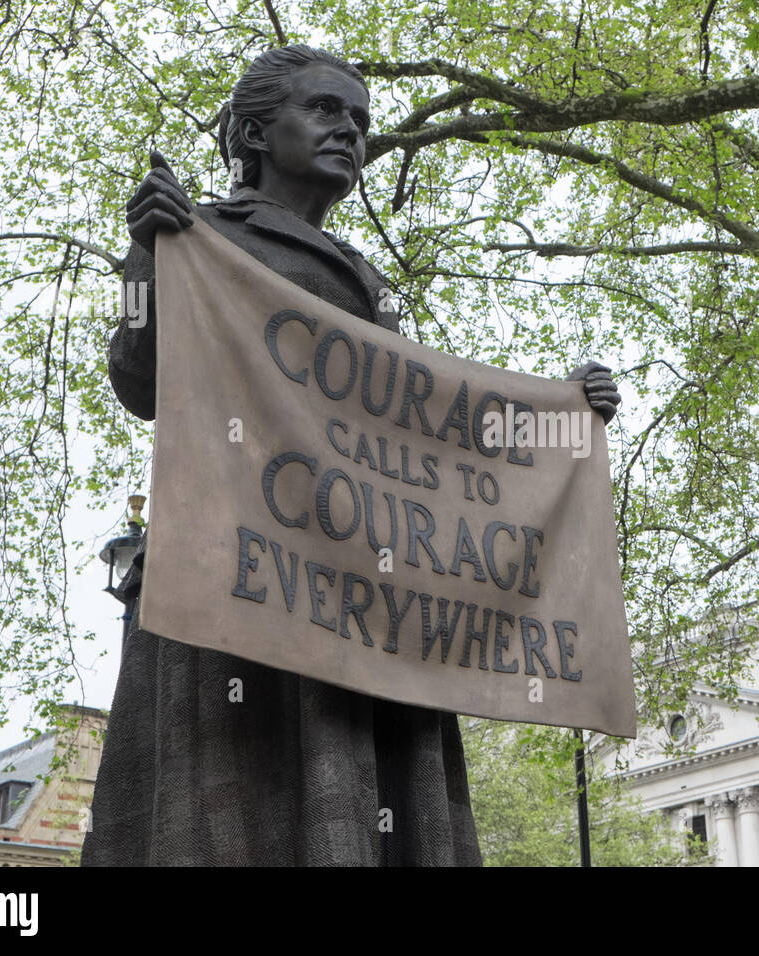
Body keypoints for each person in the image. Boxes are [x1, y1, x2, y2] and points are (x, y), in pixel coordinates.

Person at [82, 45, 620, 866]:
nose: (351, 134)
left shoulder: (372, 282)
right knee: (238, 817)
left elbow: (426, 442)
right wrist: (143, 259)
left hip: (364, 594)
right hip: (241, 578)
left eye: (361, 122)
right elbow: (135, 375)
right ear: (256, 132)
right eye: (328, 112)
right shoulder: (202, 236)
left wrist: (561, 417)